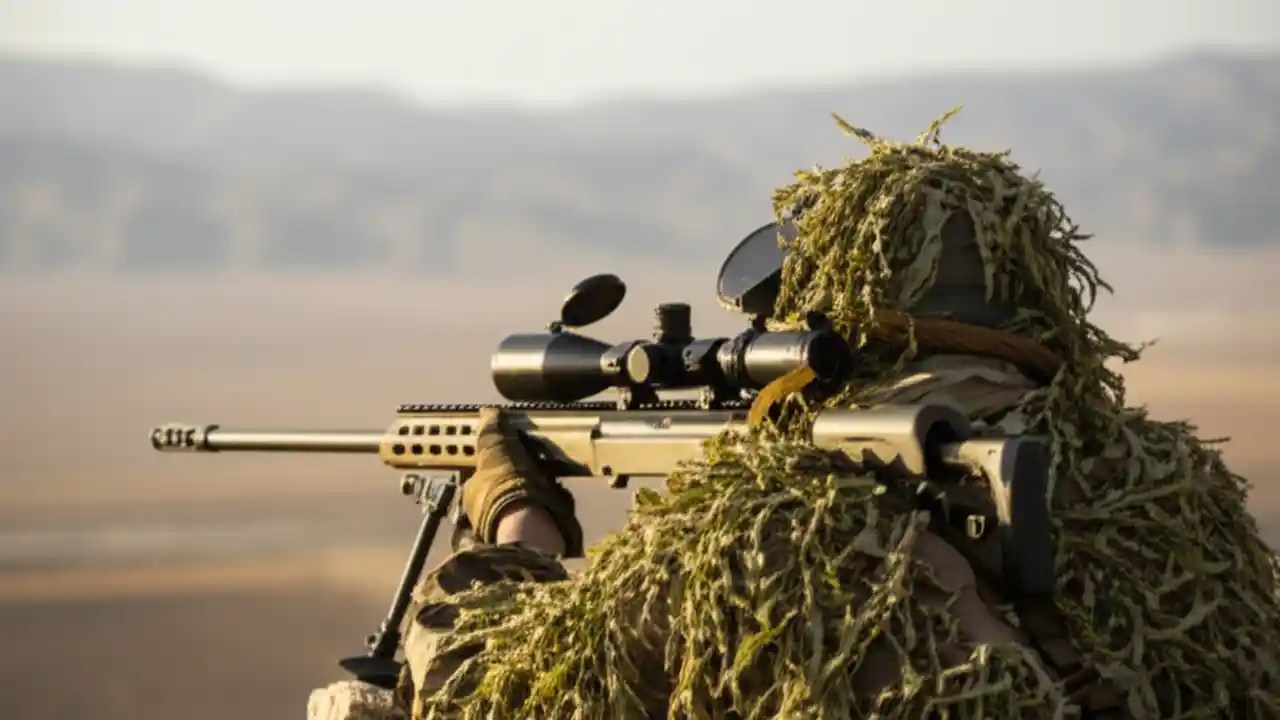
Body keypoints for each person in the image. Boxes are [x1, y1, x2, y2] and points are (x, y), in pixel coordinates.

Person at [310, 118, 1280, 719]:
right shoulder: (1179, 497)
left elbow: (492, 694)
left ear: (821, 323)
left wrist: (516, 517)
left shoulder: (777, 533)